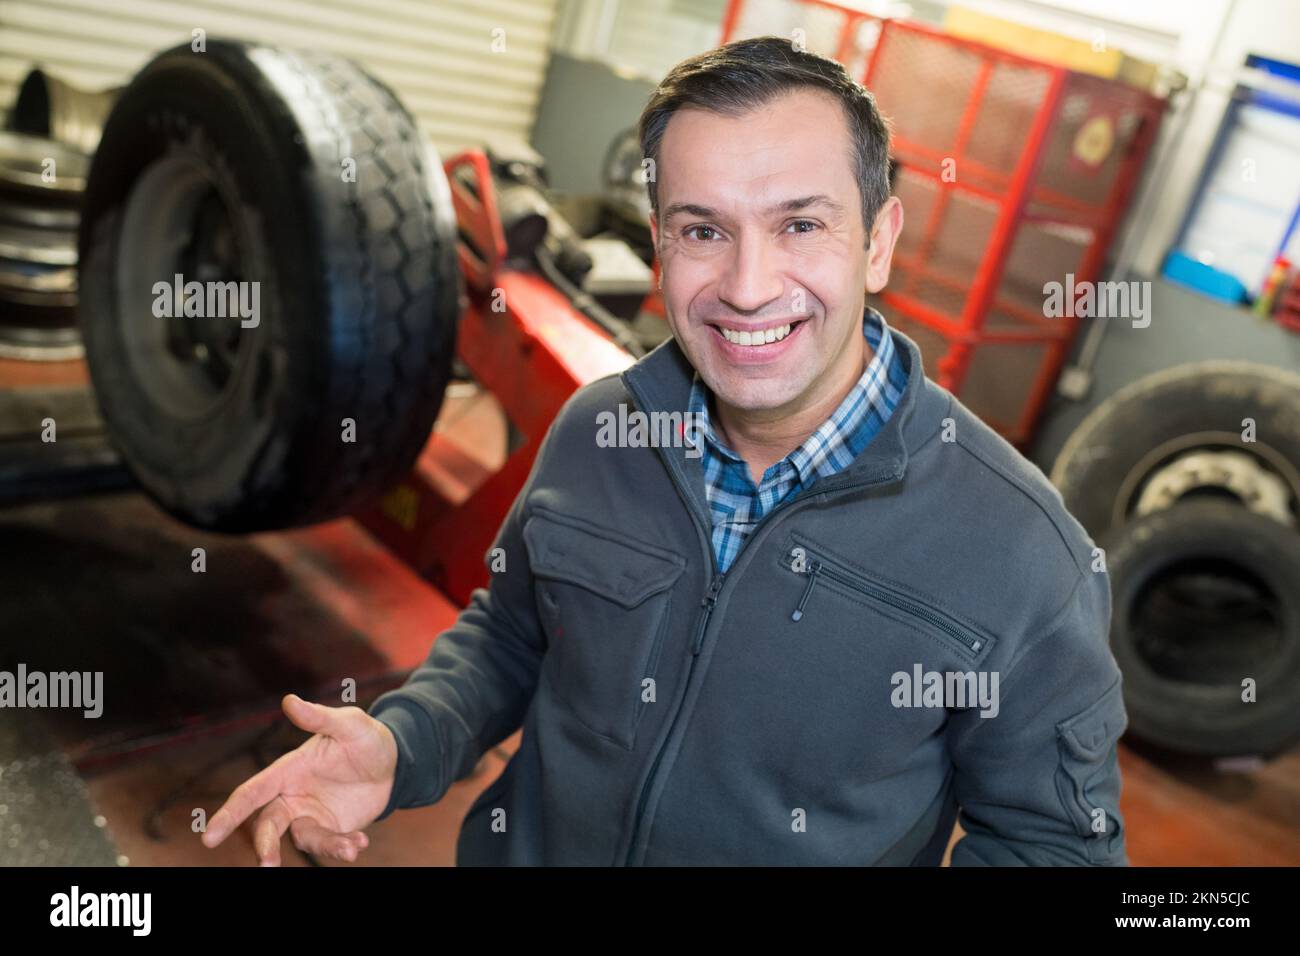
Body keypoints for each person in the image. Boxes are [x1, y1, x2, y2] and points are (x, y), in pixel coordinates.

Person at [203, 35, 1127, 866]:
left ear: (878, 241)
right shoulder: (602, 432)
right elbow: (513, 636)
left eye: (801, 224)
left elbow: (1056, 851)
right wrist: (404, 744)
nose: (749, 286)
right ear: (658, 245)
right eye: (702, 230)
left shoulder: (1019, 554)